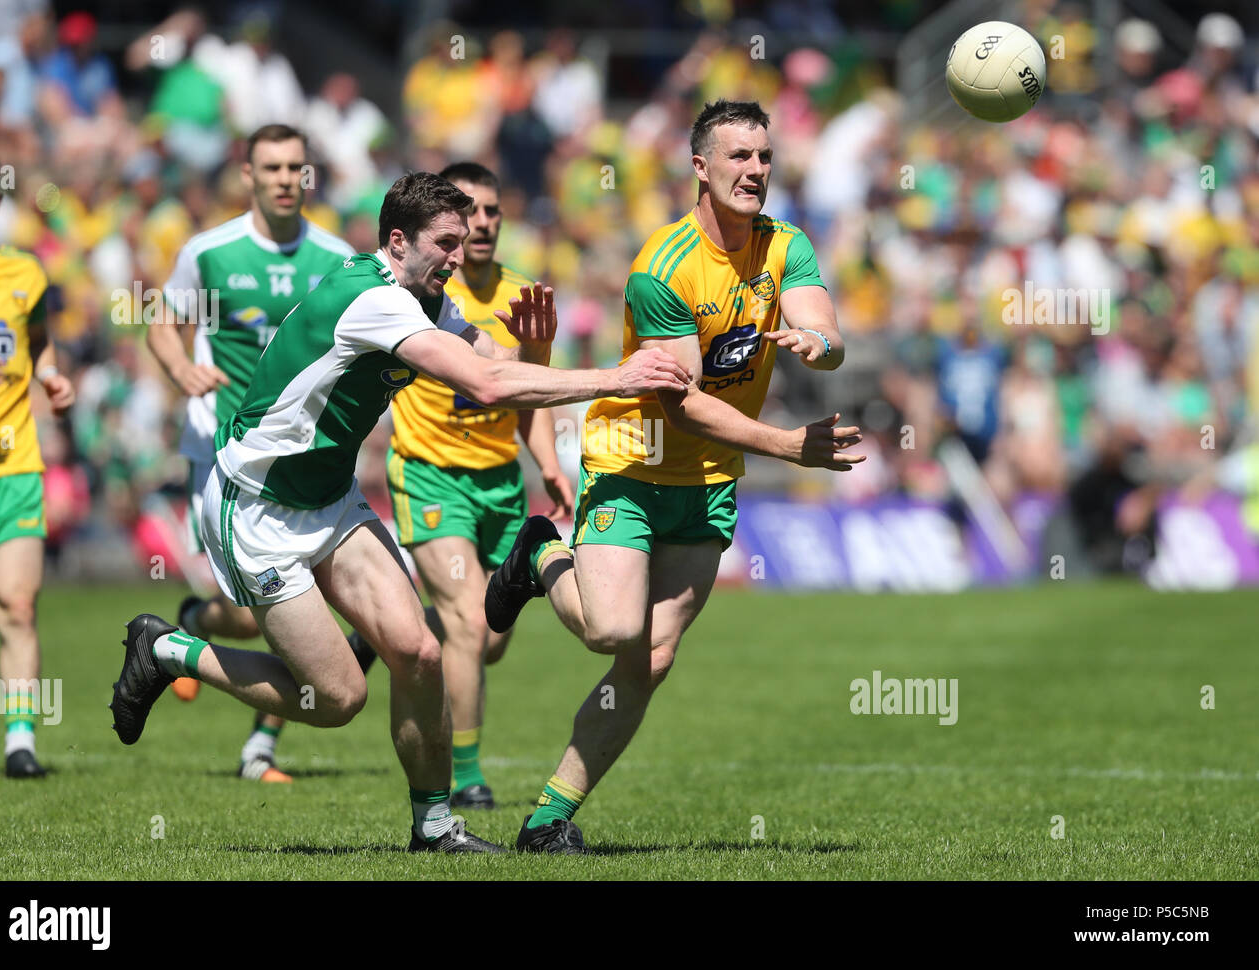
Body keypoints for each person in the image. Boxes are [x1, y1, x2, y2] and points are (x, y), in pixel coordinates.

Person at [108, 171, 690, 852]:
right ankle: (169, 650)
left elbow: (497, 367)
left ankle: (435, 826)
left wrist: (535, 347)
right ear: (397, 241)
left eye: (464, 239)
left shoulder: (421, 298)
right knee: (335, 699)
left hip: (328, 500)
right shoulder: (377, 301)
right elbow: (483, 382)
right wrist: (616, 378)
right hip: (256, 509)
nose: (459, 255)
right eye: (445, 243)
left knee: (418, 651)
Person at [483, 99, 863, 852]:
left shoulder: (787, 244)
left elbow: (825, 326)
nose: (755, 171)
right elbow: (683, 405)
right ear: (700, 167)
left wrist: (818, 342)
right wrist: (786, 445)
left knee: (650, 657)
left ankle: (547, 820)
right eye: (738, 157)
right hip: (633, 461)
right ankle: (539, 555)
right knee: (612, 629)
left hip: (709, 478)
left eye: (763, 157)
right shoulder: (662, 268)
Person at [147, 123, 361, 782]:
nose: (284, 178)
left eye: (296, 166)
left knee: (313, 608)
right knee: (243, 616)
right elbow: (162, 323)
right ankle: (190, 624)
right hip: (222, 450)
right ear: (247, 174)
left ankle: (260, 747)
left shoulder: (332, 258)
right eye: (270, 167)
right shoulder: (209, 253)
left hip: (298, 458)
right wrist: (183, 371)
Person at [387, 161, 573, 808]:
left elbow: (531, 390)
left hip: (500, 482)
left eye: (493, 212)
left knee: (487, 641)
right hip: (430, 474)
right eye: (469, 213)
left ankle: (398, 628)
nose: (483, 223)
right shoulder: (424, 290)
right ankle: (466, 779)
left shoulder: (525, 294)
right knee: (469, 622)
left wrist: (548, 463)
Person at [0, 144, 75, 778]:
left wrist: (51, 376)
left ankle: (20, 741)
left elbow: (38, 343)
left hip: (10, 463)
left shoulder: (25, 273)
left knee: (18, 605)